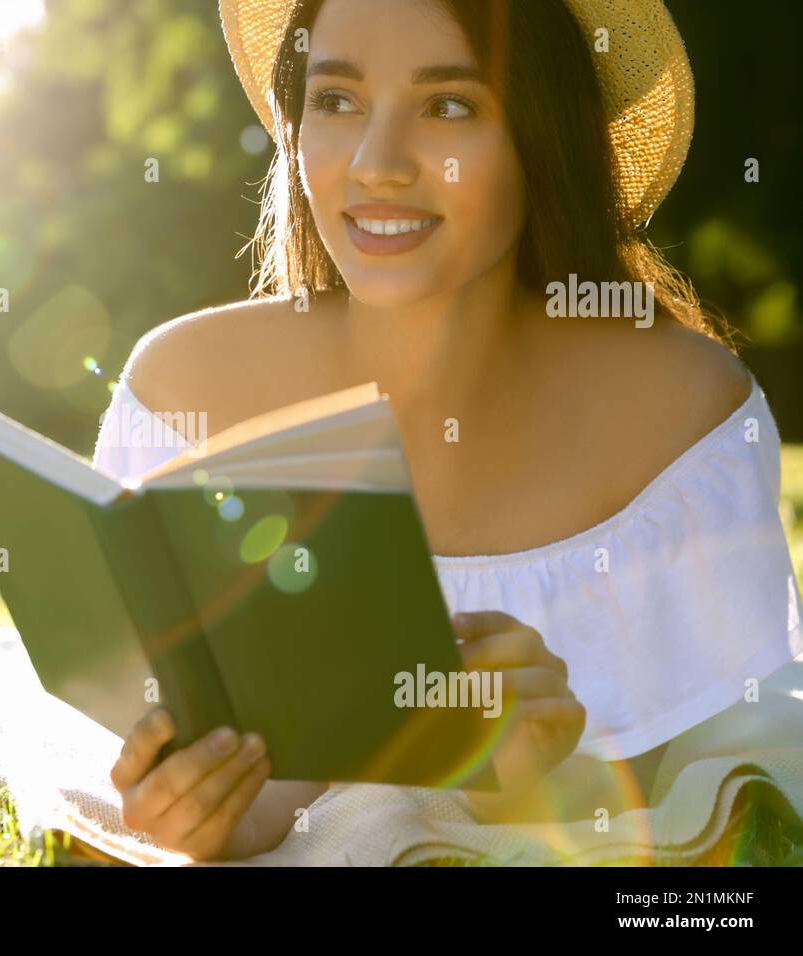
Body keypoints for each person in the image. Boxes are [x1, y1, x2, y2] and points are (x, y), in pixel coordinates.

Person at [91, 0, 802, 861]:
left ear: (543, 137)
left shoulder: (688, 418)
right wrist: (232, 811)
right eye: (337, 100)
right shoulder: (182, 393)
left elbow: (735, 784)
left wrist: (530, 784)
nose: (376, 164)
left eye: (449, 105)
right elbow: (151, 726)